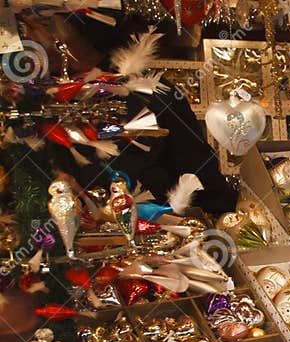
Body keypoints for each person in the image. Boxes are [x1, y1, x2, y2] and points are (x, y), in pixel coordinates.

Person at [22, 11, 236, 214]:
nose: (29, 36)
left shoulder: (150, 94)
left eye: (42, 24)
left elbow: (202, 178)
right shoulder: (27, 101)